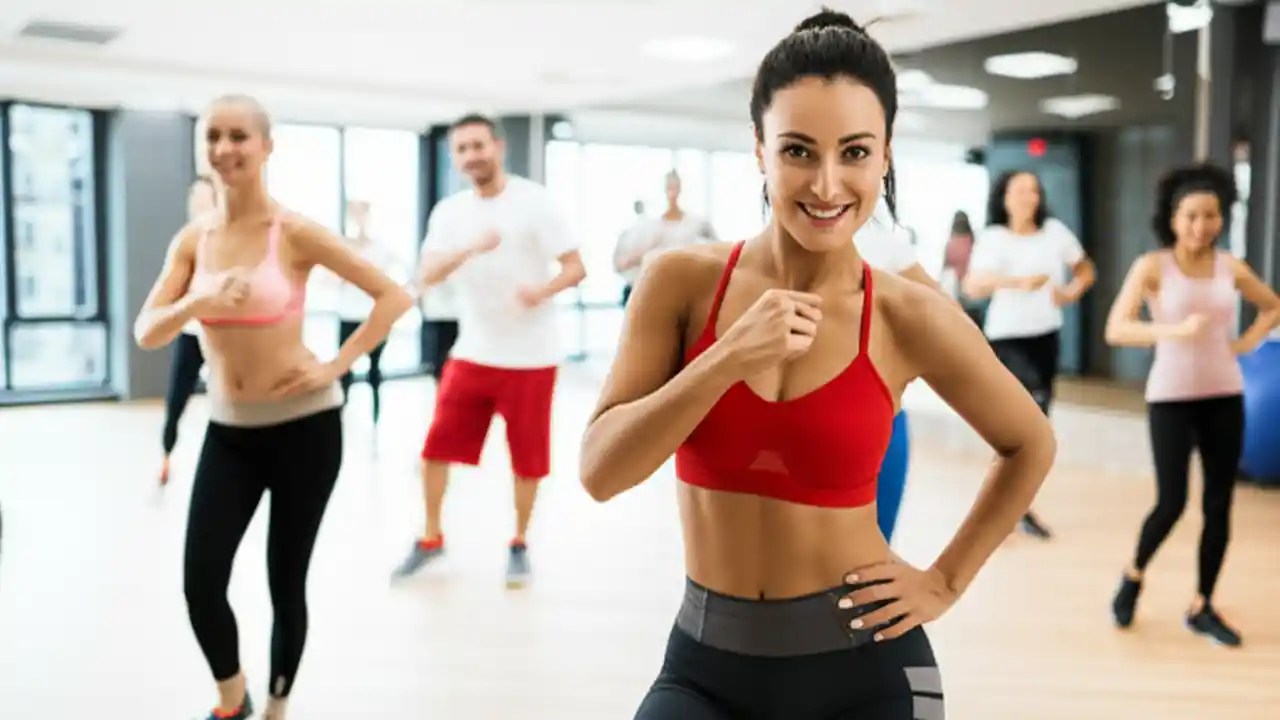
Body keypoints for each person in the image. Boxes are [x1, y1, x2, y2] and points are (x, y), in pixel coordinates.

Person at [580, 11, 1057, 718]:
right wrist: (726, 357)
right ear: (759, 150)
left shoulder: (908, 315)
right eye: (799, 151)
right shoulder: (678, 282)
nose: (828, 184)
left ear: (887, 154)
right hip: (704, 670)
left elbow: (1030, 442)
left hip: (865, 668)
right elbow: (600, 473)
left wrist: (945, 581)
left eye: (855, 153)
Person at [133, 94, 412, 720]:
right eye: (213, 136)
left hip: (305, 430)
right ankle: (232, 699)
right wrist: (194, 299)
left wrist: (337, 365)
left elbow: (393, 296)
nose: (225, 148)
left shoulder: (295, 231)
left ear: (266, 146)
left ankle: (276, 709)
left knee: (284, 582)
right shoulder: (193, 242)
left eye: (239, 136)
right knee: (200, 583)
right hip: (229, 432)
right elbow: (148, 330)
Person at [394, 113, 585, 587]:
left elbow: (576, 267)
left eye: (478, 145)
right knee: (434, 450)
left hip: (532, 357)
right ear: (455, 157)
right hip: (474, 350)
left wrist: (542, 291)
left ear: (498, 147)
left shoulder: (535, 203)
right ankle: (431, 537)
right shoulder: (450, 213)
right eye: (462, 149)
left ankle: (519, 542)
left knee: (528, 459)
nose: (471, 155)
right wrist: (469, 249)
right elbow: (427, 274)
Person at [1104, 163, 1279, 648]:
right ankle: (1133, 575)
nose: (1202, 225)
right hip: (1171, 398)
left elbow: (1273, 305)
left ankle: (1202, 605)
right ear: (1173, 218)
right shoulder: (1153, 266)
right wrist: (1171, 332)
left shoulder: (1231, 266)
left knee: (1220, 506)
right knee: (1171, 502)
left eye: (1211, 215)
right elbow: (1117, 328)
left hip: (1224, 396)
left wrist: (1246, 343)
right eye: (1192, 216)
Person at [962, 170, 1096, 540]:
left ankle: (1018, 507)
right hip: (1006, 340)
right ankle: (1002, 508)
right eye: (1019, 191)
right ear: (1004, 198)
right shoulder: (993, 238)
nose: (1027, 197)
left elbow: (1086, 269)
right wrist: (1015, 282)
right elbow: (971, 285)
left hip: (1045, 336)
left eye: (1033, 190)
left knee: (1037, 428)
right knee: (1016, 422)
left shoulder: (1054, 232)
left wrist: (1070, 292)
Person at [854, 207, 945, 544]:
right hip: (803, 415)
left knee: (874, 548)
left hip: (880, 413)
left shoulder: (882, 239)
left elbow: (944, 308)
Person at [158, 176, 219, 485]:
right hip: (191, 334)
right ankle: (166, 456)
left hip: (221, 335)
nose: (197, 200)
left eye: (203, 195)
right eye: (193, 195)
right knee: (176, 398)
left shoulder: (223, 236)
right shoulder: (184, 241)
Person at [335, 199, 403, 425]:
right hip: (348, 315)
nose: (357, 219)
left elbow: (397, 281)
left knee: (375, 369)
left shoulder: (380, 249)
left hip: (373, 316)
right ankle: (342, 416)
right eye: (353, 214)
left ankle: (376, 419)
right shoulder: (340, 248)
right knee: (344, 369)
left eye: (361, 213)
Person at [614, 170, 717, 305]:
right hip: (650, 289)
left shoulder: (695, 223)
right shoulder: (647, 227)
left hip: (683, 288)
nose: (672, 193)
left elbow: (717, 248)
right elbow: (622, 263)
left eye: (675, 187)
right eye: (669, 187)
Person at [941, 211, 985, 328]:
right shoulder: (973, 241)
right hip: (972, 285)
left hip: (958, 286)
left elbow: (945, 268)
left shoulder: (950, 243)